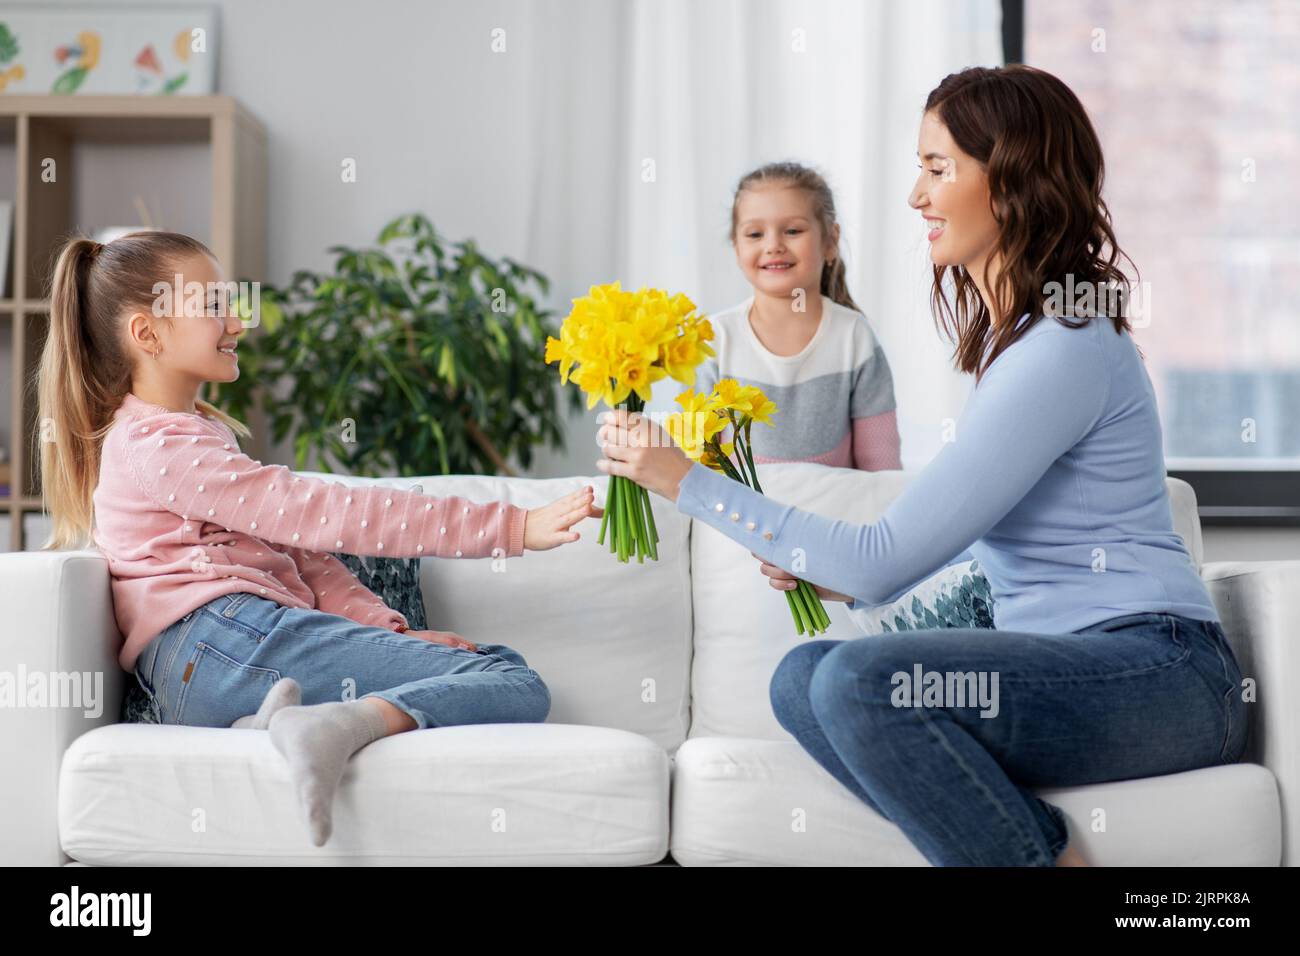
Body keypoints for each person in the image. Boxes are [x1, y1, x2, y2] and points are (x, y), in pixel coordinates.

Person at [595, 65, 1246, 867]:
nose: (916, 196)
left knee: (859, 683)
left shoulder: (1067, 345)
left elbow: (884, 563)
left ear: (1011, 178)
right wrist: (826, 564)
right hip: (1075, 671)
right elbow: (948, 543)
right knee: (805, 677)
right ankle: (1031, 847)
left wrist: (684, 479)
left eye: (939, 169)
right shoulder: (1026, 346)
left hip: (1158, 674)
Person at [37, 230, 602, 846]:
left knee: (489, 670)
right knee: (513, 680)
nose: (239, 321)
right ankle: (340, 723)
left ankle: (280, 723)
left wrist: (396, 636)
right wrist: (510, 527)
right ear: (147, 334)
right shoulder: (159, 447)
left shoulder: (189, 436)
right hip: (225, 641)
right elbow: (327, 512)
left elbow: (305, 553)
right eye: (215, 306)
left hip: (218, 663)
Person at [694, 161, 902, 471]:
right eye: (754, 234)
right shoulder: (715, 338)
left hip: (833, 516)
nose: (773, 245)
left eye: (792, 230)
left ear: (830, 242)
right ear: (736, 248)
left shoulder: (854, 337)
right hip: (737, 519)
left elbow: (881, 468)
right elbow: (696, 459)